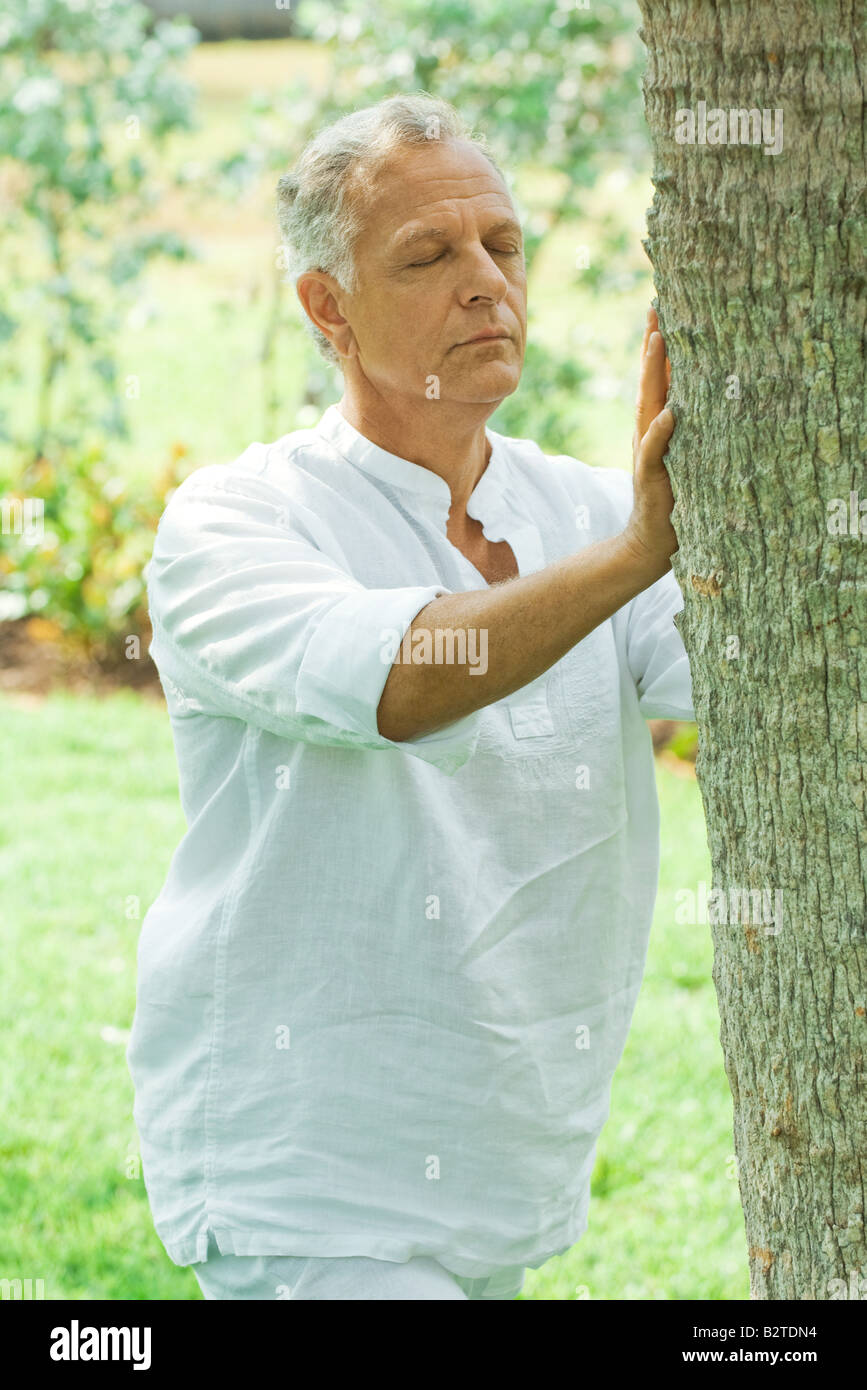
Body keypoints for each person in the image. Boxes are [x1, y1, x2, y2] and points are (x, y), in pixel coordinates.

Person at [126, 93, 693, 1302]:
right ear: (328, 308)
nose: (487, 282)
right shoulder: (235, 521)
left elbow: (764, 675)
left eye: (503, 244)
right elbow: (398, 681)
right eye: (430, 255)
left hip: (504, 1179)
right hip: (310, 1181)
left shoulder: (589, 513)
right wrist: (633, 556)